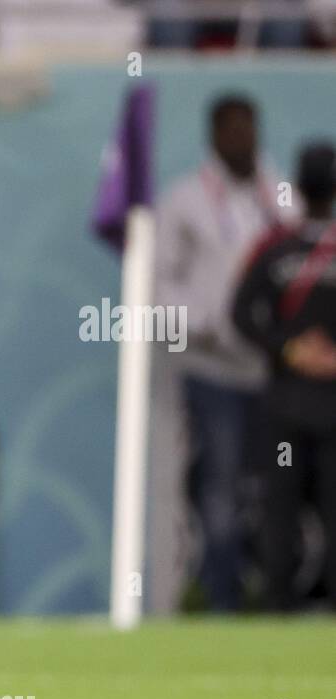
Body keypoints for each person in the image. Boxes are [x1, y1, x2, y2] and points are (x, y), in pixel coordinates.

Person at [153, 94, 285, 610]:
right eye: (234, 131)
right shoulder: (184, 201)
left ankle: (276, 597)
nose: (245, 141)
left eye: (251, 129)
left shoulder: (280, 196)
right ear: (213, 136)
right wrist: (203, 325)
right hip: (213, 370)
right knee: (221, 489)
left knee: (278, 490)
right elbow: (157, 284)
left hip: (276, 370)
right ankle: (222, 600)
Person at [232, 142, 336, 610]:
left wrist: (288, 348)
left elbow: (240, 313)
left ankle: (277, 606)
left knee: (280, 508)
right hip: (316, 401)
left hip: (286, 401)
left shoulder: (275, 248)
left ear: (297, 188)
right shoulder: (279, 247)